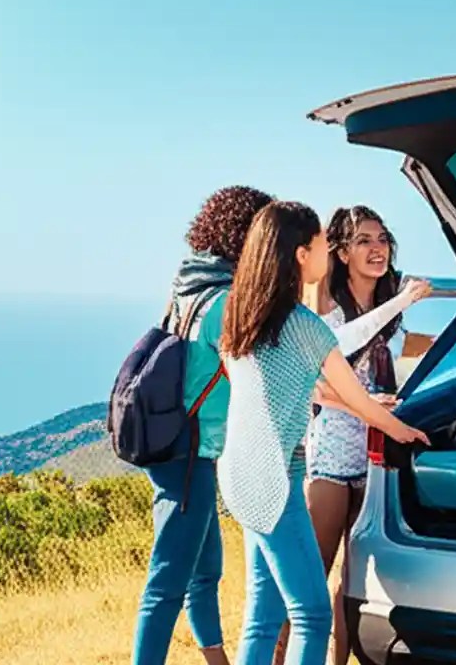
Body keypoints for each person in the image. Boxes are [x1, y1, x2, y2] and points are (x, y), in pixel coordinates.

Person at [217, 201, 430, 665]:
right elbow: (356, 398)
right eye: (319, 245)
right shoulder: (302, 326)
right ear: (299, 255)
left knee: (262, 612)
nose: (326, 255)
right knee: (311, 614)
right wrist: (406, 431)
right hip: (277, 481)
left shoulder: (244, 317)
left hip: (237, 476)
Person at [131, 185, 275, 665]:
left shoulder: (188, 285)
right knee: (168, 581)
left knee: (203, 570)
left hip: (182, 444)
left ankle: (217, 661)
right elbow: (255, 379)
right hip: (189, 452)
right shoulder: (227, 303)